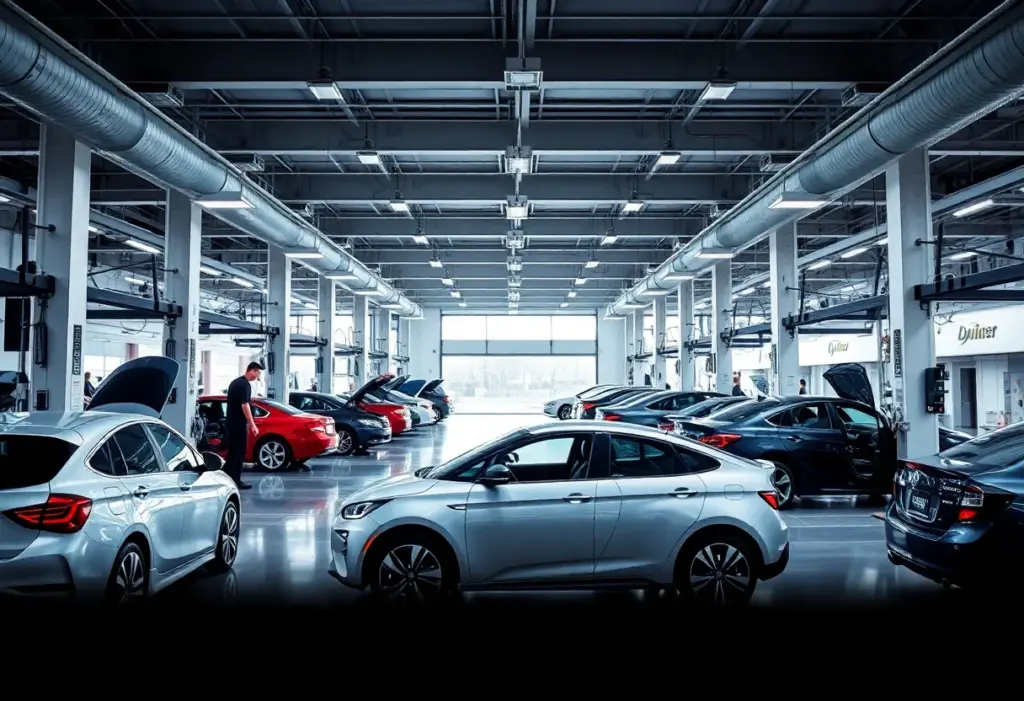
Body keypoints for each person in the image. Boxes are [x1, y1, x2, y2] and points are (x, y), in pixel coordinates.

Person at [224, 361, 263, 490]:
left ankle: (228, 478)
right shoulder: (245, 385)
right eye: (257, 373)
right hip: (238, 424)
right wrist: (252, 425)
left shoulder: (235, 382)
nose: (257, 377)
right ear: (252, 370)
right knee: (239, 453)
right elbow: (245, 405)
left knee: (233, 452)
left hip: (231, 422)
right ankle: (236, 480)